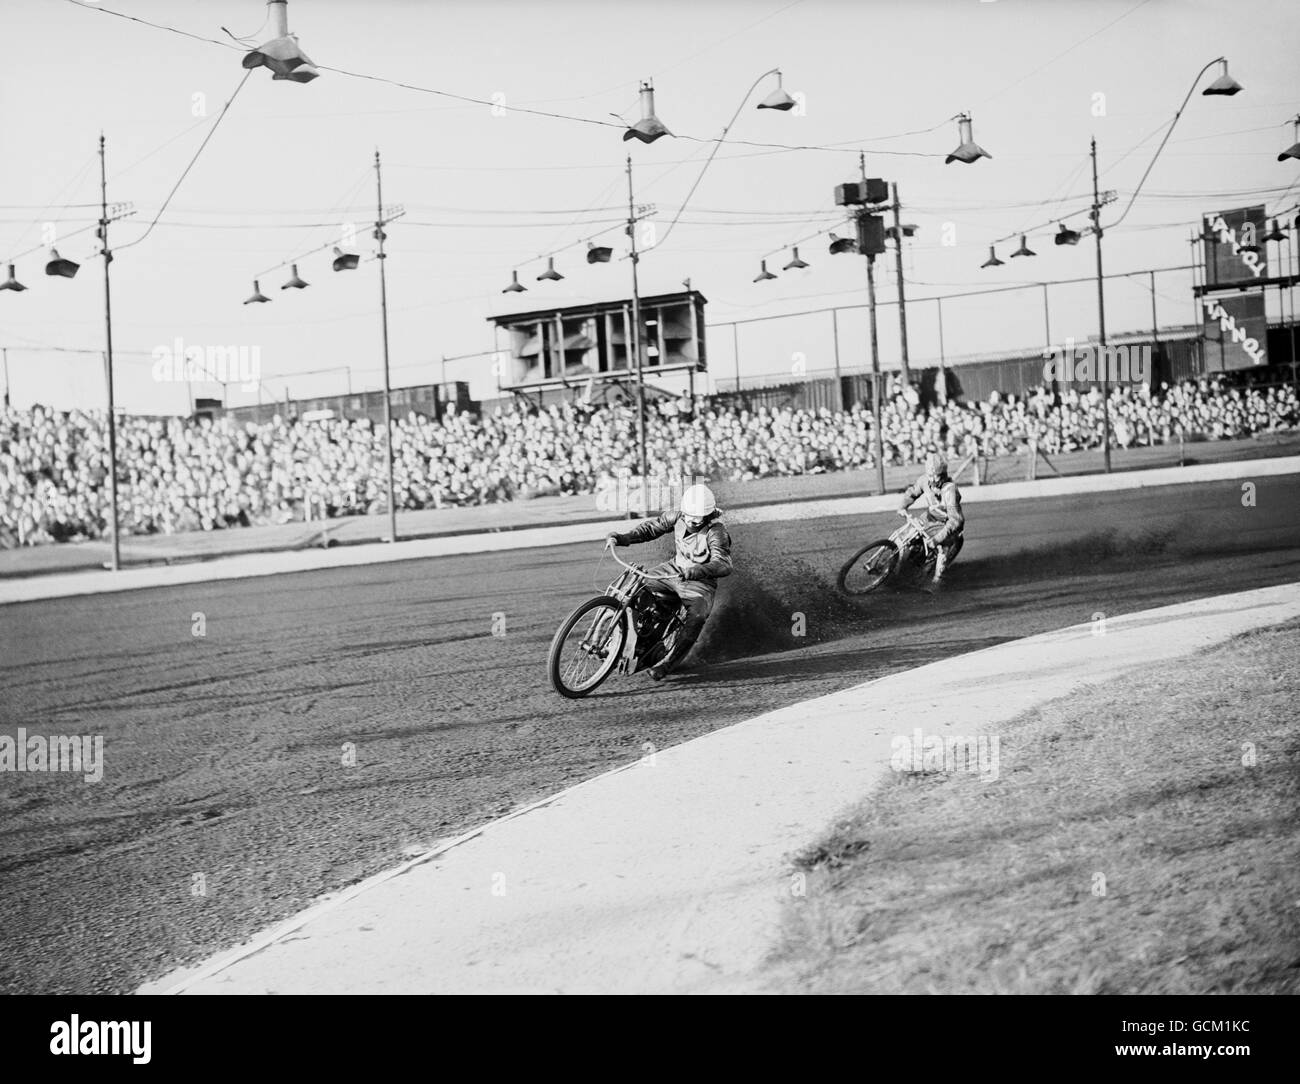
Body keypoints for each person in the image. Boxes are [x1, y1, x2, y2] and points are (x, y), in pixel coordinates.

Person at [605, 483, 732, 680]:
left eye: (698, 517)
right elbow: (650, 529)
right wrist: (622, 538)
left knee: (697, 617)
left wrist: (697, 571)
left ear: (708, 515)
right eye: (689, 514)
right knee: (636, 588)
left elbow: (723, 564)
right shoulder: (676, 516)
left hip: (700, 582)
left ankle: (668, 663)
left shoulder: (717, 532)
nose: (692, 520)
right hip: (672, 569)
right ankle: (626, 639)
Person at [898, 451, 964, 588]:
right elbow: (913, 492)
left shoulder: (950, 491)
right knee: (906, 535)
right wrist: (902, 506)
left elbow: (956, 521)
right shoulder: (924, 480)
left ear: (944, 475)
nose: (933, 480)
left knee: (942, 548)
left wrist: (937, 539)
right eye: (930, 476)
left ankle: (937, 581)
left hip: (947, 524)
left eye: (937, 476)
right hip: (930, 517)